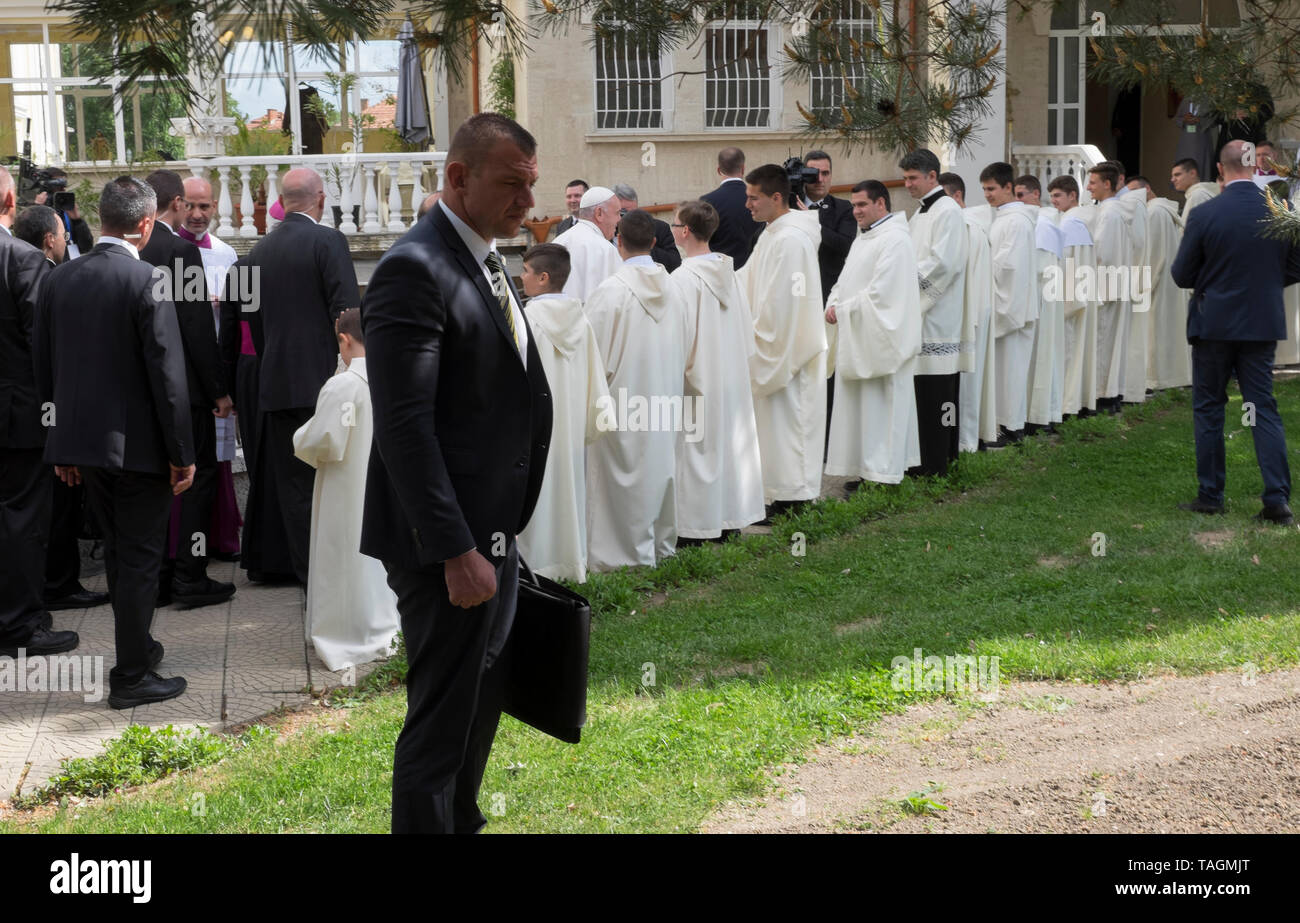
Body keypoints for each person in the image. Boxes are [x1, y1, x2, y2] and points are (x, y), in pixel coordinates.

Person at [361, 113, 552, 835]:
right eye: (511, 184)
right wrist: (454, 550)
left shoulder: (484, 255)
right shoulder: (415, 267)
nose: (526, 202)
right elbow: (405, 426)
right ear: (459, 177)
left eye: (530, 185)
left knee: (479, 703)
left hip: (492, 534)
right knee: (440, 723)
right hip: (446, 547)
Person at [33, 176, 195, 708]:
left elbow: (45, 371)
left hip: (85, 449)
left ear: (102, 218)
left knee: (124, 554)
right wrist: (183, 455)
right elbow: (168, 379)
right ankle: (130, 676)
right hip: (141, 452)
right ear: (146, 223)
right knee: (139, 558)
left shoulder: (60, 278)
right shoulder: (148, 278)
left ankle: (139, 646)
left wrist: (60, 445)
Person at [241, 167, 360, 585]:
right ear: (321, 199)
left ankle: (309, 573)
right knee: (335, 476)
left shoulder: (256, 253)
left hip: (276, 381)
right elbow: (346, 313)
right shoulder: (328, 240)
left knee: (293, 486)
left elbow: (252, 324)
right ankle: (335, 572)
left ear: (284, 200)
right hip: (324, 382)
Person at [1172, 140, 1299, 525]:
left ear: (1221, 169)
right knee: (1262, 409)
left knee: (1209, 407)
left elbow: (1181, 274)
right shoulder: (1282, 210)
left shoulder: (1207, 212)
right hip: (1260, 321)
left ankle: (1211, 494)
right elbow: (1296, 265)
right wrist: (1265, 284)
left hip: (1214, 321)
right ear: (1256, 168)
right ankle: (1276, 499)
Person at [140, 169, 234, 608]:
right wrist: (218, 389)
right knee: (198, 483)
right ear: (176, 202)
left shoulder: (131, 250)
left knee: (155, 485)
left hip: (141, 388)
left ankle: (157, 578)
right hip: (187, 390)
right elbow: (197, 328)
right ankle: (190, 574)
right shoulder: (180, 252)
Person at [292, 308, 399, 672]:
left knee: (343, 554)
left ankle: (346, 631)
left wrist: (298, 437)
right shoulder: (392, 377)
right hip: (382, 487)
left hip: (344, 486)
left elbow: (325, 441)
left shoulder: (344, 385)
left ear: (345, 339)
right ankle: (383, 623)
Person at [1, 170, 79, 657]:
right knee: (22, 520)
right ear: (10, 198)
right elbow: (45, 346)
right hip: (18, 416)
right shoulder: (23, 259)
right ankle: (20, 625)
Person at [585, 209, 686, 570]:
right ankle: (658, 547)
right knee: (659, 470)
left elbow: (592, 355)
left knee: (621, 477)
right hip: (665, 395)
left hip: (622, 398)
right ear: (655, 243)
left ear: (618, 240)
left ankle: (622, 557)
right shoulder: (675, 287)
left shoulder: (610, 292)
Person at [669, 199, 765, 539]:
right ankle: (729, 521)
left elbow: (677, 337)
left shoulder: (682, 280)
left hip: (699, 377)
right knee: (727, 450)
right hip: (731, 375)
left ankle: (696, 528)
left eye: (673, 225)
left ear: (684, 232)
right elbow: (745, 328)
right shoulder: (731, 275)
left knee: (696, 454)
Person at [516, 243, 609, 583]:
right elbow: (595, 383)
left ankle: (534, 566)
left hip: (532, 429)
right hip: (568, 426)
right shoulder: (580, 321)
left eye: (526, 272)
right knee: (566, 492)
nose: (521, 278)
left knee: (535, 497)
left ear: (542, 278)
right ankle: (567, 563)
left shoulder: (525, 322)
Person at [737, 164, 827, 516]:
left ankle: (795, 498)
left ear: (777, 197)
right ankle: (779, 494)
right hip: (774, 343)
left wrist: (761, 336)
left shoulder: (790, 240)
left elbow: (784, 304)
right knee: (776, 426)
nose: (747, 205)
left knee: (792, 423)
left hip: (790, 349)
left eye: (753, 197)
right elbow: (746, 279)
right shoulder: (772, 233)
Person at [823, 180, 921, 485]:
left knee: (881, 407)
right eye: (853, 205)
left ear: (882, 203)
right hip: (858, 336)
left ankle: (882, 473)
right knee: (862, 411)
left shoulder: (895, 240)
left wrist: (844, 309)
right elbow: (846, 278)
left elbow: (884, 293)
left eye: (862, 205)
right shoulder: (864, 238)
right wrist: (834, 301)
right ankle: (866, 470)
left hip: (881, 340)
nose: (855, 211)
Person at [181, 174, 242, 562]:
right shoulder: (163, 251)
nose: (198, 214)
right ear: (177, 204)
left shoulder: (227, 254)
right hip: (185, 372)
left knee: (220, 458)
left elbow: (244, 311)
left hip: (217, 367)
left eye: (205, 206)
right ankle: (189, 550)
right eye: (191, 205)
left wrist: (225, 304)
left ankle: (221, 537)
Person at [901, 148, 969, 475]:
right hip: (923, 317)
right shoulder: (921, 213)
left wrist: (903, 287)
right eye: (905, 178)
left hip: (938, 317)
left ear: (932, 176)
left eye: (913, 178)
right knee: (925, 395)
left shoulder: (948, 212)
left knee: (942, 396)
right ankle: (929, 458)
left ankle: (939, 463)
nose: (907, 184)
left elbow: (945, 263)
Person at [983, 161, 1039, 443]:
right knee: (1006, 370)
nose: (987, 194)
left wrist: (981, 272)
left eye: (992, 188)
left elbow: (1008, 267)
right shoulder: (1005, 218)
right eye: (984, 189)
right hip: (1007, 302)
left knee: (1011, 370)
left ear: (1008, 187)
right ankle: (1004, 423)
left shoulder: (1015, 221)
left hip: (1010, 307)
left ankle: (1010, 426)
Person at [941, 173, 998, 452]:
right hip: (975, 313)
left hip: (965, 317)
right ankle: (968, 435)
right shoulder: (973, 226)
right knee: (968, 385)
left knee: (963, 386)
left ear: (957, 197)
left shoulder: (965, 228)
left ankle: (963, 438)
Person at [1047, 175, 1099, 418]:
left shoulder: (1070, 224)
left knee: (1068, 354)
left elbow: (1066, 264)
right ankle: (1075, 402)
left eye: (1058, 195)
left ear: (1073, 196)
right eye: (1052, 196)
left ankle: (1067, 405)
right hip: (1082, 296)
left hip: (1069, 301)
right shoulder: (1079, 222)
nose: (1053, 201)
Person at [1019, 174, 1066, 431]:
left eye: (1020, 195)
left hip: (1041, 296)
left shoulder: (1043, 223)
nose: (1018, 201)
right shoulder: (1039, 221)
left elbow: (1041, 266)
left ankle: (1040, 414)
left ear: (1035, 195)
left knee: (1043, 355)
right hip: (1040, 295)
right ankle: (1039, 412)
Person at [1141, 180, 1191, 392]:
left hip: (1158, 283)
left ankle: (1158, 380)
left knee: (1157, 333)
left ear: (1147, 190)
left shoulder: (1154, 213)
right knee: (1168, 332)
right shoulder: (1163, 211)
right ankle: (1173, 377)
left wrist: (1140, 286)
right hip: (1170, 282)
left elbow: (1153, 255)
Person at [553, 185, 622, 300]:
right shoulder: (606, 250)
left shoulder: (558, 241)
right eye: (617, 213)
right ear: (599, 213)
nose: (619, 219)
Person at [701, 147, 762, 269]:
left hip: (721, 272)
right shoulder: (760, 198)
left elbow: (701, 242)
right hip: (754, 270)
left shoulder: (707, 201)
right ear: (743, 168)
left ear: (719, 170)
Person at [611, 183, 681, 272]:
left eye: (633, 213)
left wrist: (643, 241)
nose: (629, 218)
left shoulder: (658, 228)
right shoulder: (606, 230)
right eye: (623, 213)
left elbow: (675, 264)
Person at [1173, 94, 1217, 183]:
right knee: (1184, 166)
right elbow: (1177, 118)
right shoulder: (1186, 99)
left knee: (1201, 169)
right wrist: (1184, 119)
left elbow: (1215, 120)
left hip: (1201, 139)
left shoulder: (1209, 100)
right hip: (1186, 140)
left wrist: (1200, 120)